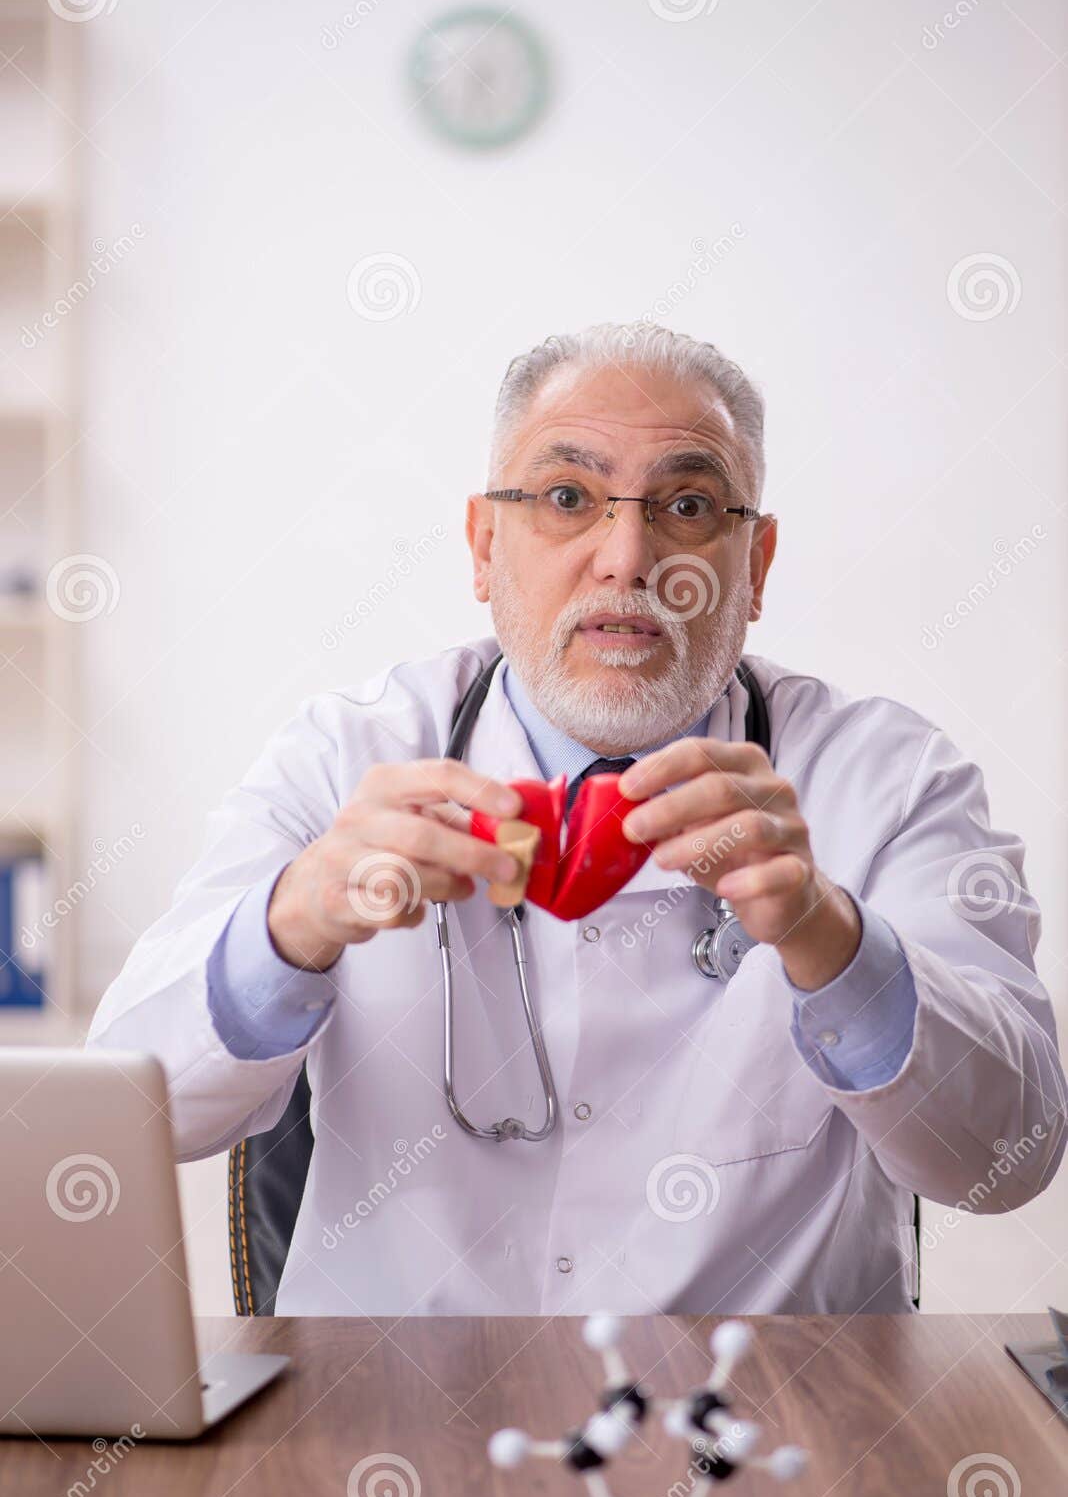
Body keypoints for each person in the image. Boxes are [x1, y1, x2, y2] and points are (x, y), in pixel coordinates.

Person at [87, 322, 1067, 1317]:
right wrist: (290, 921)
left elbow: (1009, 1155)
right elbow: (136, 1106)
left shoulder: (888, 779)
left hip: (776, 1429)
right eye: (567, 499)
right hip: (388, 1427)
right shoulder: (344, 756)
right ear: (484, 544)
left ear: (756, 562)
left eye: (687, 505)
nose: (627, 555)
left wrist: (830, 936)